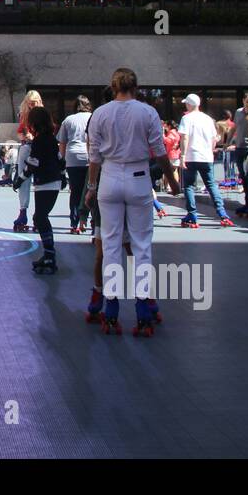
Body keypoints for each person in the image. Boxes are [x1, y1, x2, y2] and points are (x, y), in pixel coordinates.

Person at [85, 70, 178, 336]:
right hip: (139, 178)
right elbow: (159, 152)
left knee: (111, 245)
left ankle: (111, 310)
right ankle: (142, 309)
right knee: (141, 246)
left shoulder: (101, 113)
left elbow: (94, 157)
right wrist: (171, 180)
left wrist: (91, 187)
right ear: (136, 87)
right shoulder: (147, 113)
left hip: (110, 178)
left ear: (113, 87)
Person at [177, 94, 233, 228]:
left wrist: (183, 156)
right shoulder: (208, 119)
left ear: (189, 104)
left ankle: (192, 214)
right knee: (211, 184)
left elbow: (184, 138)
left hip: (191, 156)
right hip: (206, 156)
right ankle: (222, 213)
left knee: (189, 186)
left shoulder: (186, 118)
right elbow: (215, 139)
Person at [21, 105, 65, 275]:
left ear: (34, 124)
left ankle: (50, 256)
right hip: (52, 182)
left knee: (40, 217)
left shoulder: (39, 141)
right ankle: (48, 254)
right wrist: (62, 177)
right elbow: (60, 160)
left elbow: (33, 163)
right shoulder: (51, 139)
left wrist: (19, 180)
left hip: (45, 183)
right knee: (40, 217)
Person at [12, 91, 44, 231]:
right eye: (30, 103)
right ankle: (23, 211)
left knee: (40, 181)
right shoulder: (24, 115)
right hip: (27, 147)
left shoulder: (44, 115)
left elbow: (50, 131)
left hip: (40, 148)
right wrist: (25, 136)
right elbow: (19, 132)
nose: (32, 105)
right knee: (23, 180)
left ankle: (39, 214)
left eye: (35, 102)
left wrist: (37, 136)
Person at [231, 94, 248, 215]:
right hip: (239, 148)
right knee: (243, 177)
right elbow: (234, 127)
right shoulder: (238, 112)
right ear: (243, 101)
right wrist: (228, 141)